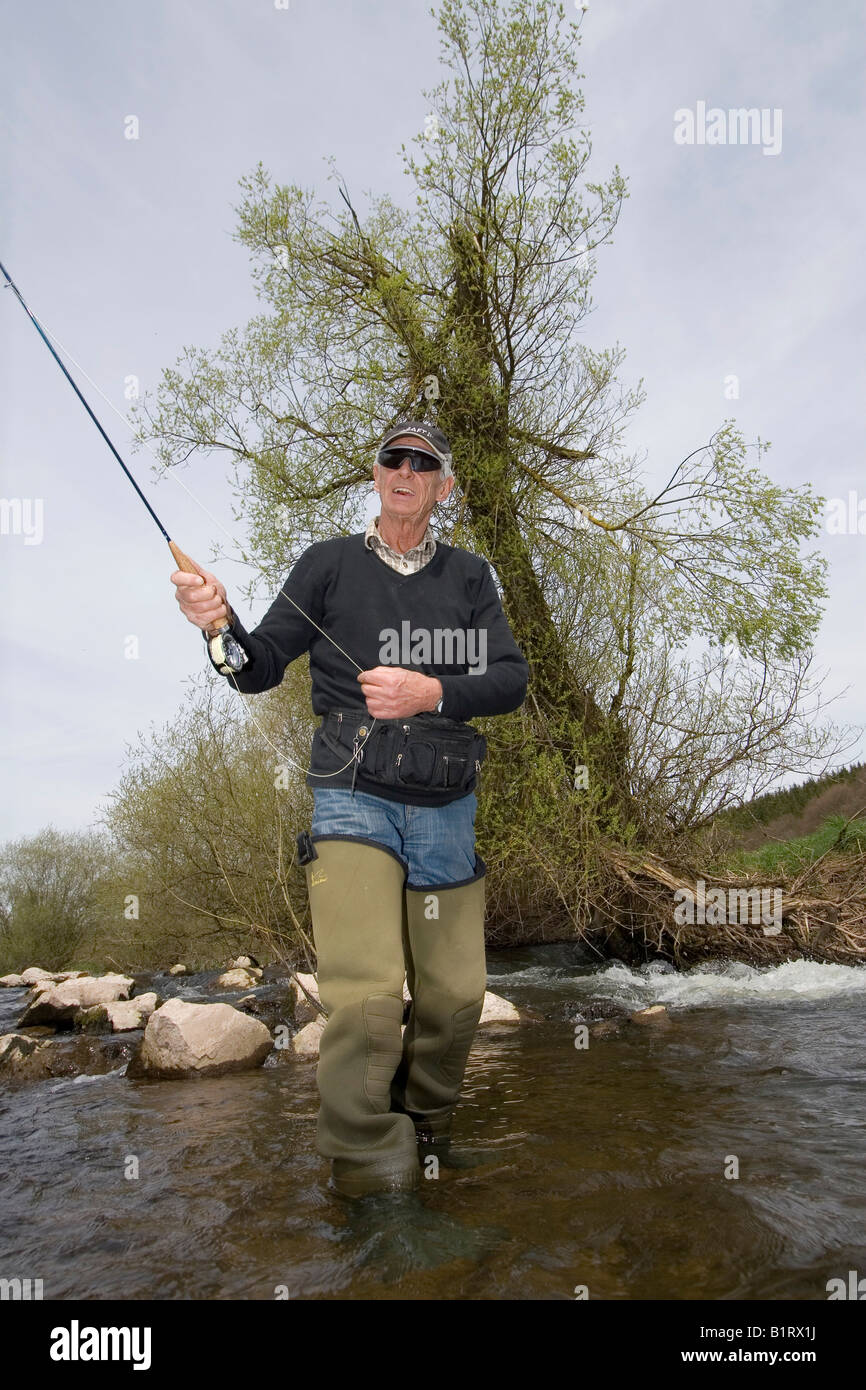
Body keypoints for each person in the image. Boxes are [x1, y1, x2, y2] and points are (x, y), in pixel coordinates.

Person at [172, 420, 528, 1197]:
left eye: (422, 462)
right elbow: (256, 666)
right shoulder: (327, 564)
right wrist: (216, 625)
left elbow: (511, 679)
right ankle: (369, 1176)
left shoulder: (470, 578)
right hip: (352, 794)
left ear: (445, 486)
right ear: (375, 475)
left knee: (458, 997)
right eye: (391, 458)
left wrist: (433, 690)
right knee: (367, 997)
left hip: (446, 804)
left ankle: (427, 1135)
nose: (404, 470)